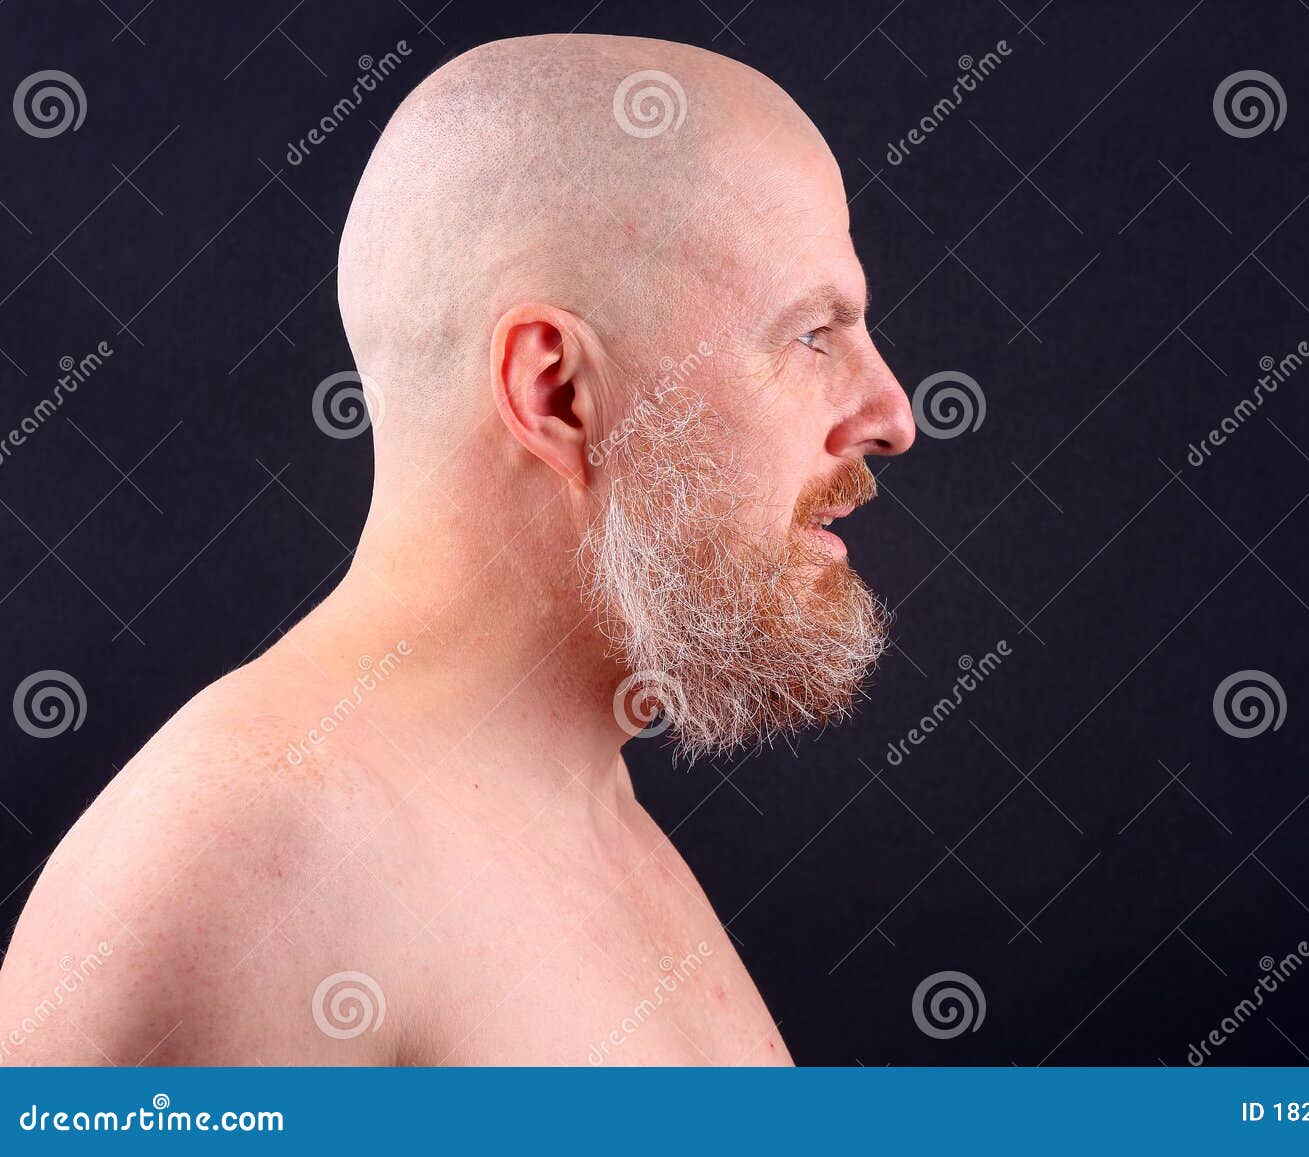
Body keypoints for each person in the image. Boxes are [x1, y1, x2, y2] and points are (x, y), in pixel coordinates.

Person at [0, 33, 915, 1065]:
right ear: (556, 391)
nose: (890, 413)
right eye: (811, 335)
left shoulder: (582, 812)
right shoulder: (252, 867)